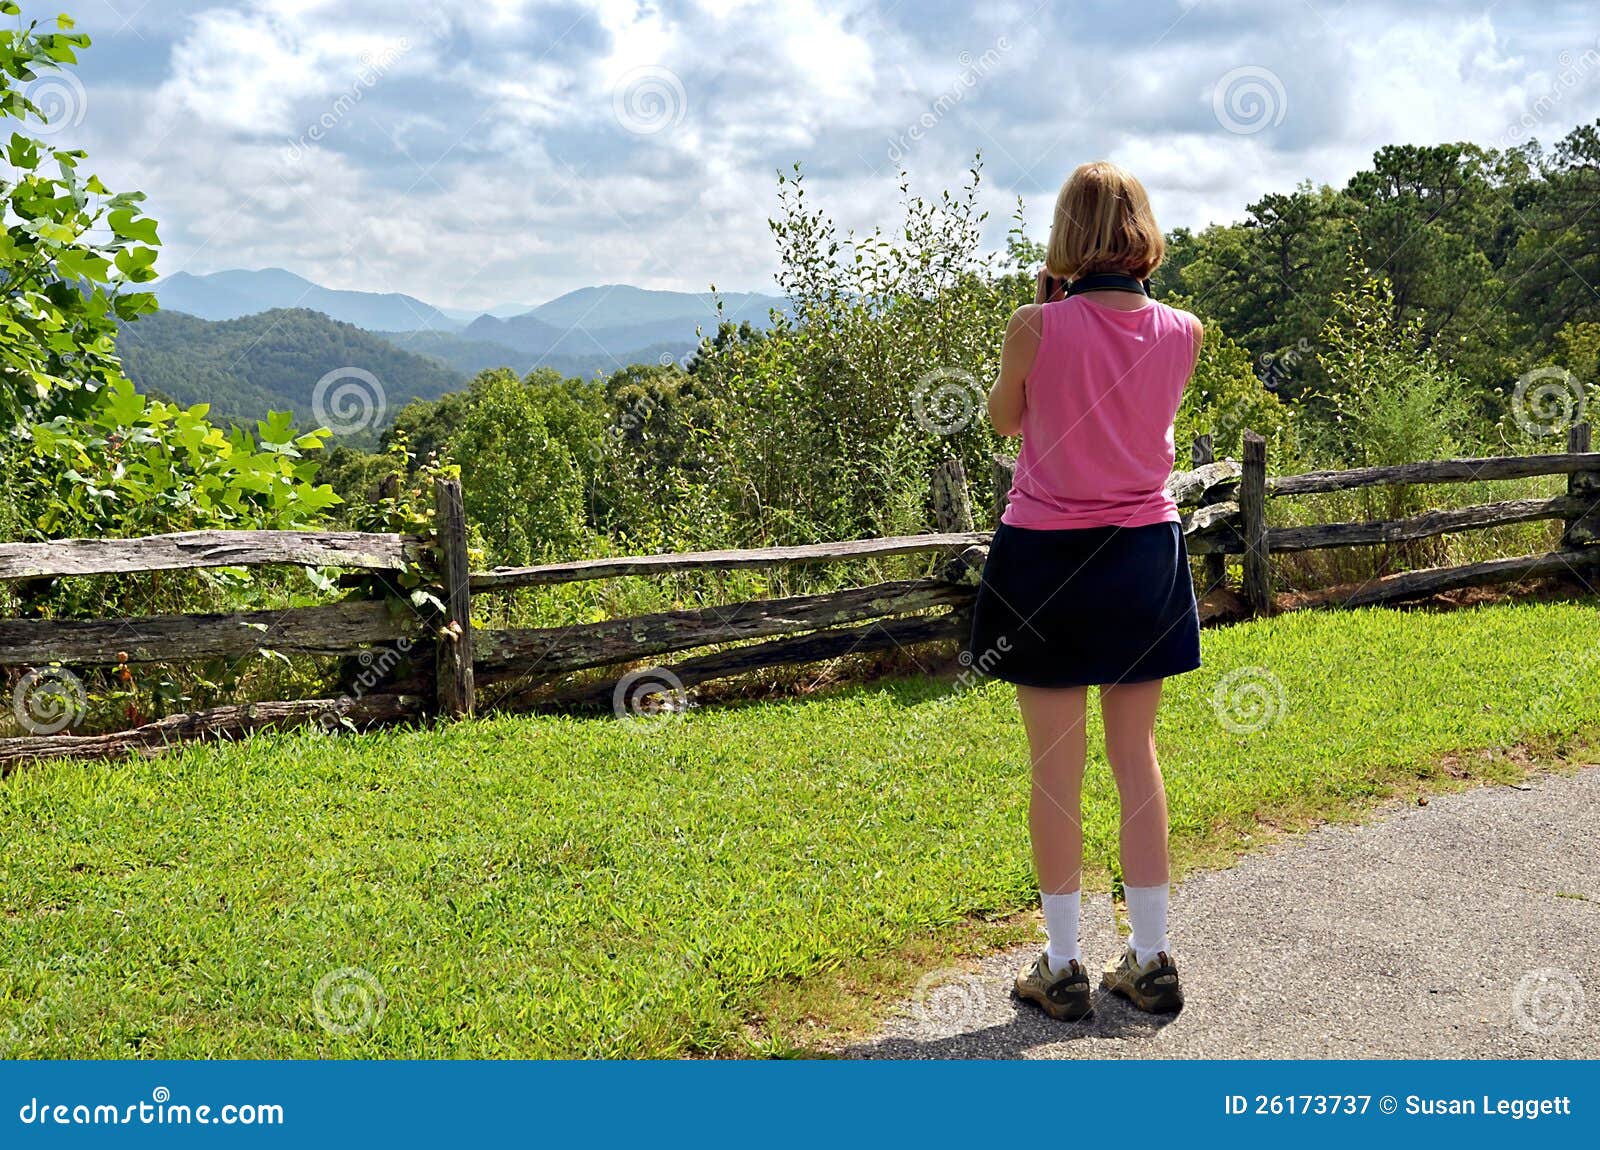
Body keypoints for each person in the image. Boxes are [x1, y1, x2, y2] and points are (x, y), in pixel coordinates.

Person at [970, 160, 1203, 1021]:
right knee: (1136, 759)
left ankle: (1062, 965)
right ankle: (1149, 959)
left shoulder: (1034, 323)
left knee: (1055, 771)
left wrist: (1046, 309)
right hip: (1145, 553)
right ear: (1142, 232)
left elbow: (1004, 419)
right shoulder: (1185, 329)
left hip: (1048, 558)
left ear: (1067, 238)